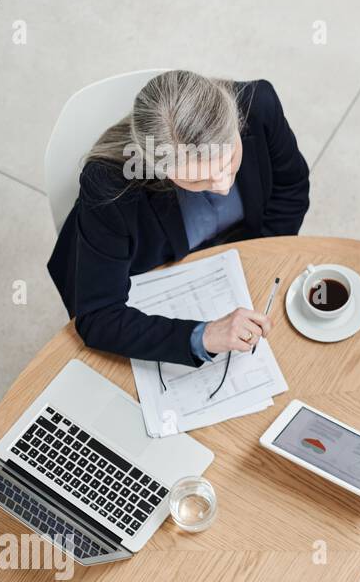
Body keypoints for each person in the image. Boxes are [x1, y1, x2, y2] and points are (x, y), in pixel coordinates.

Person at [47, 70, 310, 365]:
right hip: (157, 286)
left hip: (237, 263)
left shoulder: (259, 104)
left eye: (228, 161)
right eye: (197, 180)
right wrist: (203, 336)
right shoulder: (108, 184)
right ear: (157, 169)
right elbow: (99, 315)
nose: (223, 186)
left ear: (236, 122)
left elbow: (291, 188)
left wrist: (260, 261)